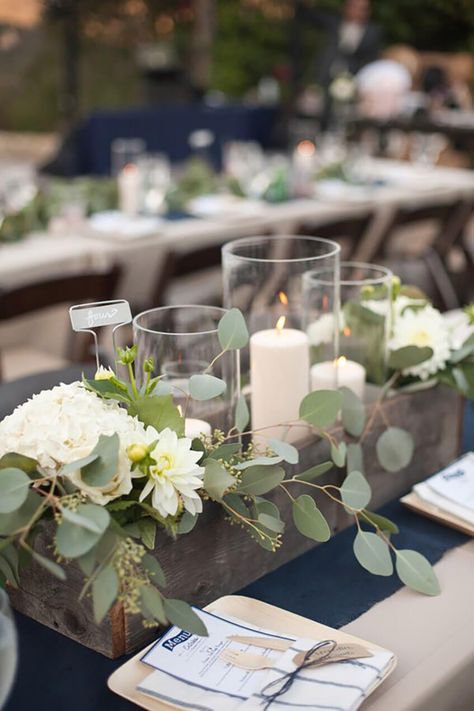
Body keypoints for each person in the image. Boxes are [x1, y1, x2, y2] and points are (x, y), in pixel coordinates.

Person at [295, 0, 383, 126]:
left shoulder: (374, 31)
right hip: (326, 76)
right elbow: (307, 15)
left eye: (361, 8)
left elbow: (372, 59)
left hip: (354, 80)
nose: (356, 11)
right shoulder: (334, 23)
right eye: (353, 7)